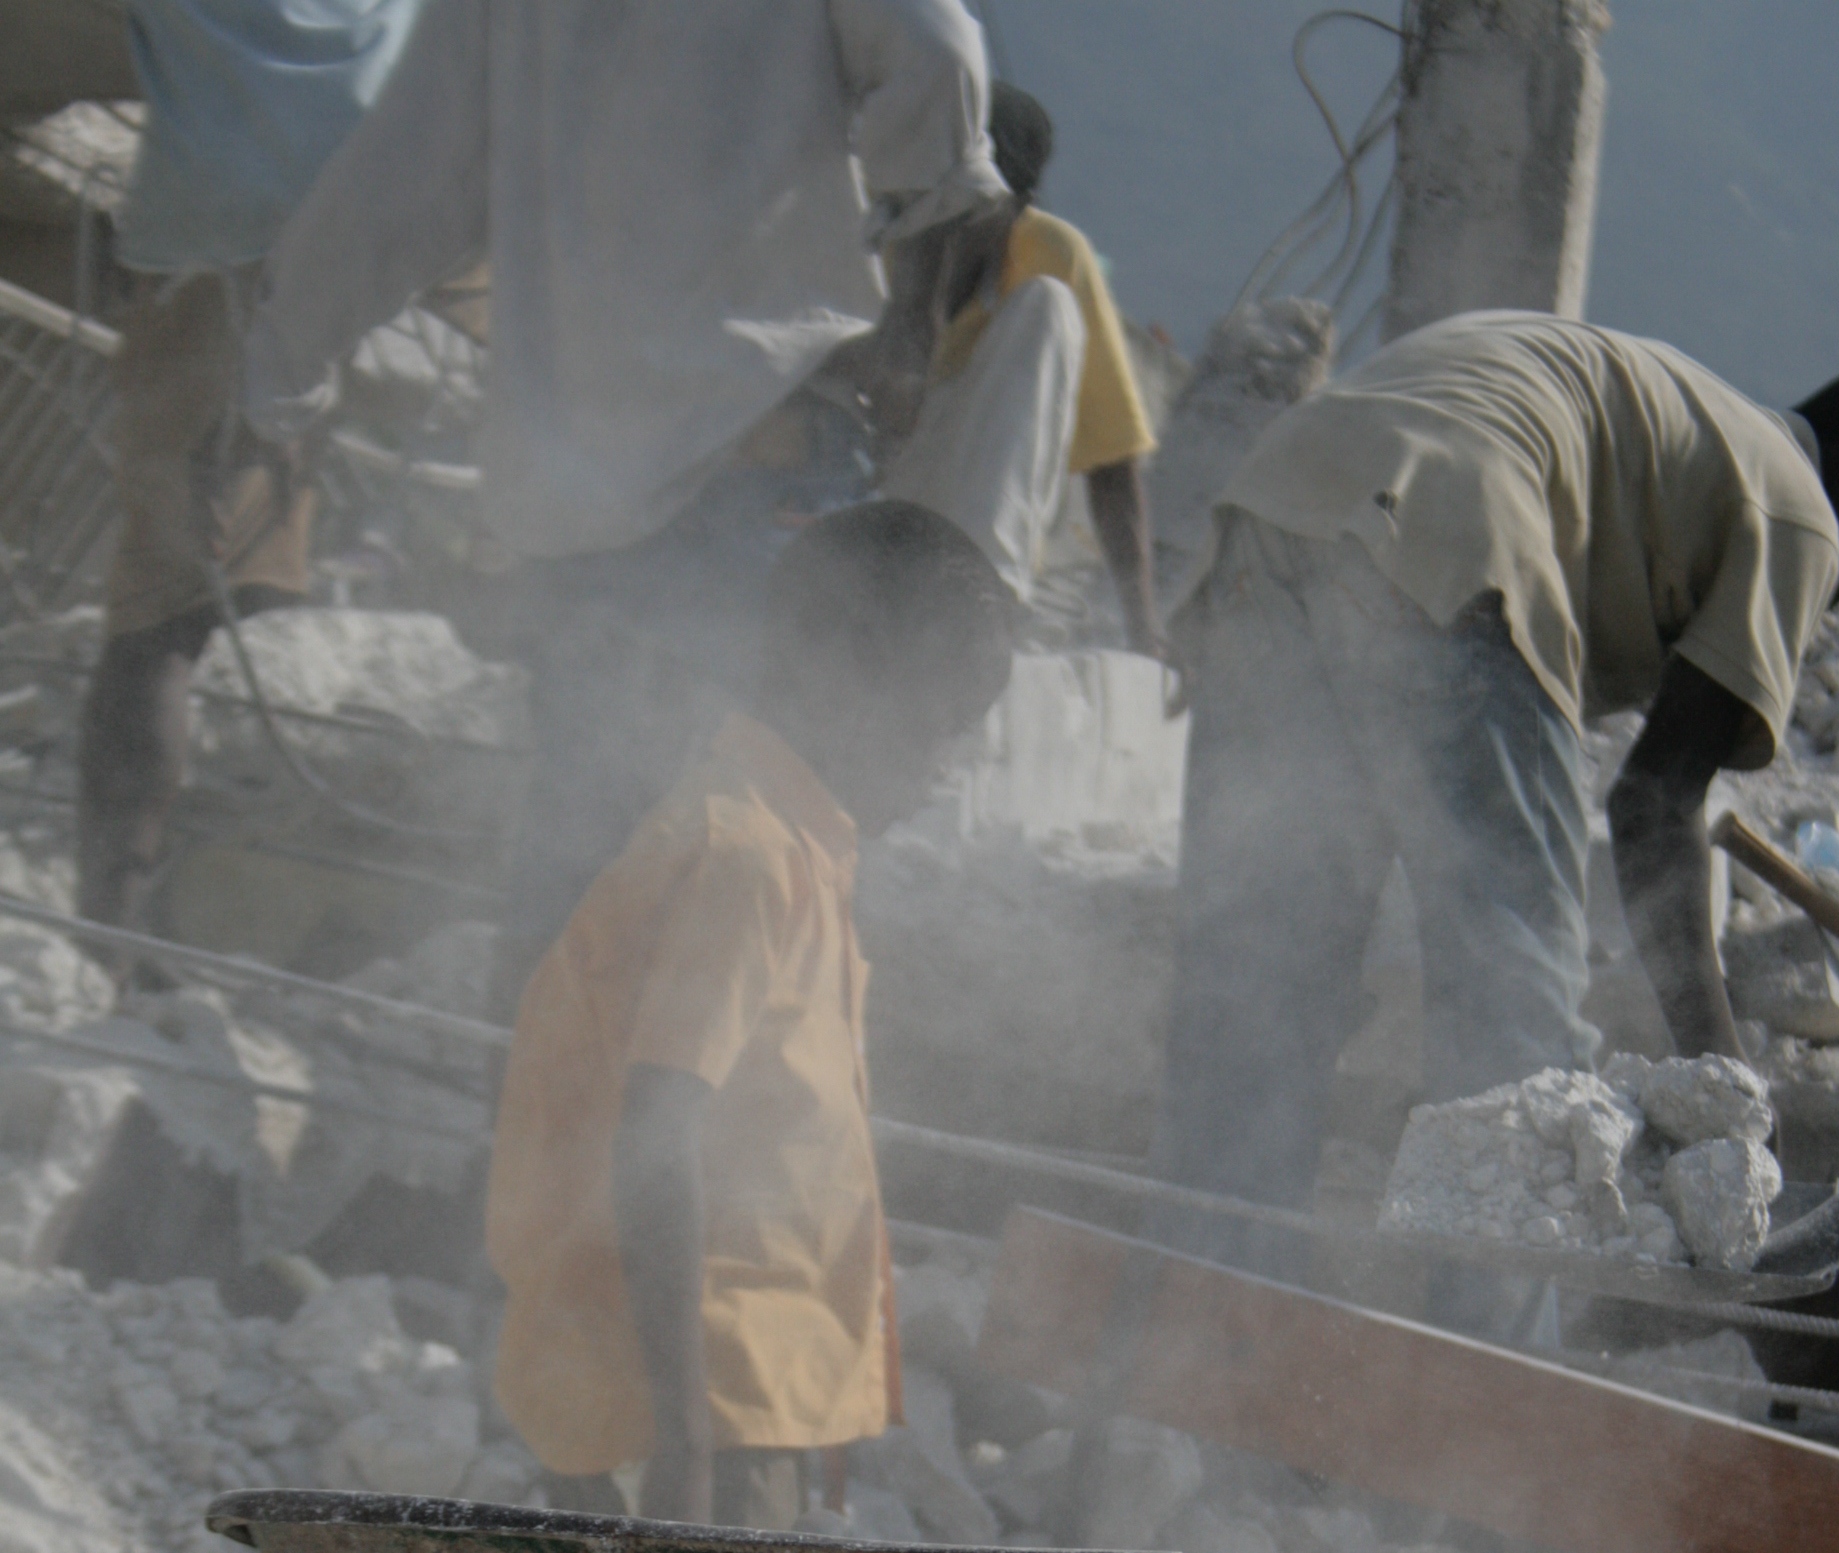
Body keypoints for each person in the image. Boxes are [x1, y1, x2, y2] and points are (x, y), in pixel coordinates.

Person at [481, 497, 1013, 1553]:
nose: (950, 762)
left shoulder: (792, 843)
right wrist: (699, 1442)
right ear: (864, 679)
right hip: (677, 1399)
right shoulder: (737, 849)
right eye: (947, 716)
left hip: (736, 1398)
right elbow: (660, 1138)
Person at [241, 0, 1009, 1019]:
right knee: (756, 878)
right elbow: (937, 51)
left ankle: (537, 1167)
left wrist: (281, 372)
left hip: (588, 498)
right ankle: (691, 1161)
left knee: (576, 894)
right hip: (762, 465)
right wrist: (909, 318)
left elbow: (398, 184)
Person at [1155, 313, 1839, 1269]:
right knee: (1516, 1021)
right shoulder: (1801, 513)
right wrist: (1730, 1097)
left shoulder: (1694, 434)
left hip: (1281, 495)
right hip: (1454, 522)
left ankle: (1197, 1333)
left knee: (1264, 975)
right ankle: (1494, 1366)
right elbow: (1655, 806)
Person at [76, 0, 426, 936]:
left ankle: (110, 929)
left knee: (158, 611)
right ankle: (247, 917)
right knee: (267, 573)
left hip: (210, 231)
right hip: (377, 214)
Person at [881, 80, 1165, 648]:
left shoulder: (1050, 253)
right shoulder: (880, 239)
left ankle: (985, 597)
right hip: (869, 500)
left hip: (966, 517)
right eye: (942, 197)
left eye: (973, 206)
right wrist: (920, 299)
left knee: (1048, 306)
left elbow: (1111, 465)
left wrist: (1143, 623)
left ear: (1016, 205)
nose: (953, 220)